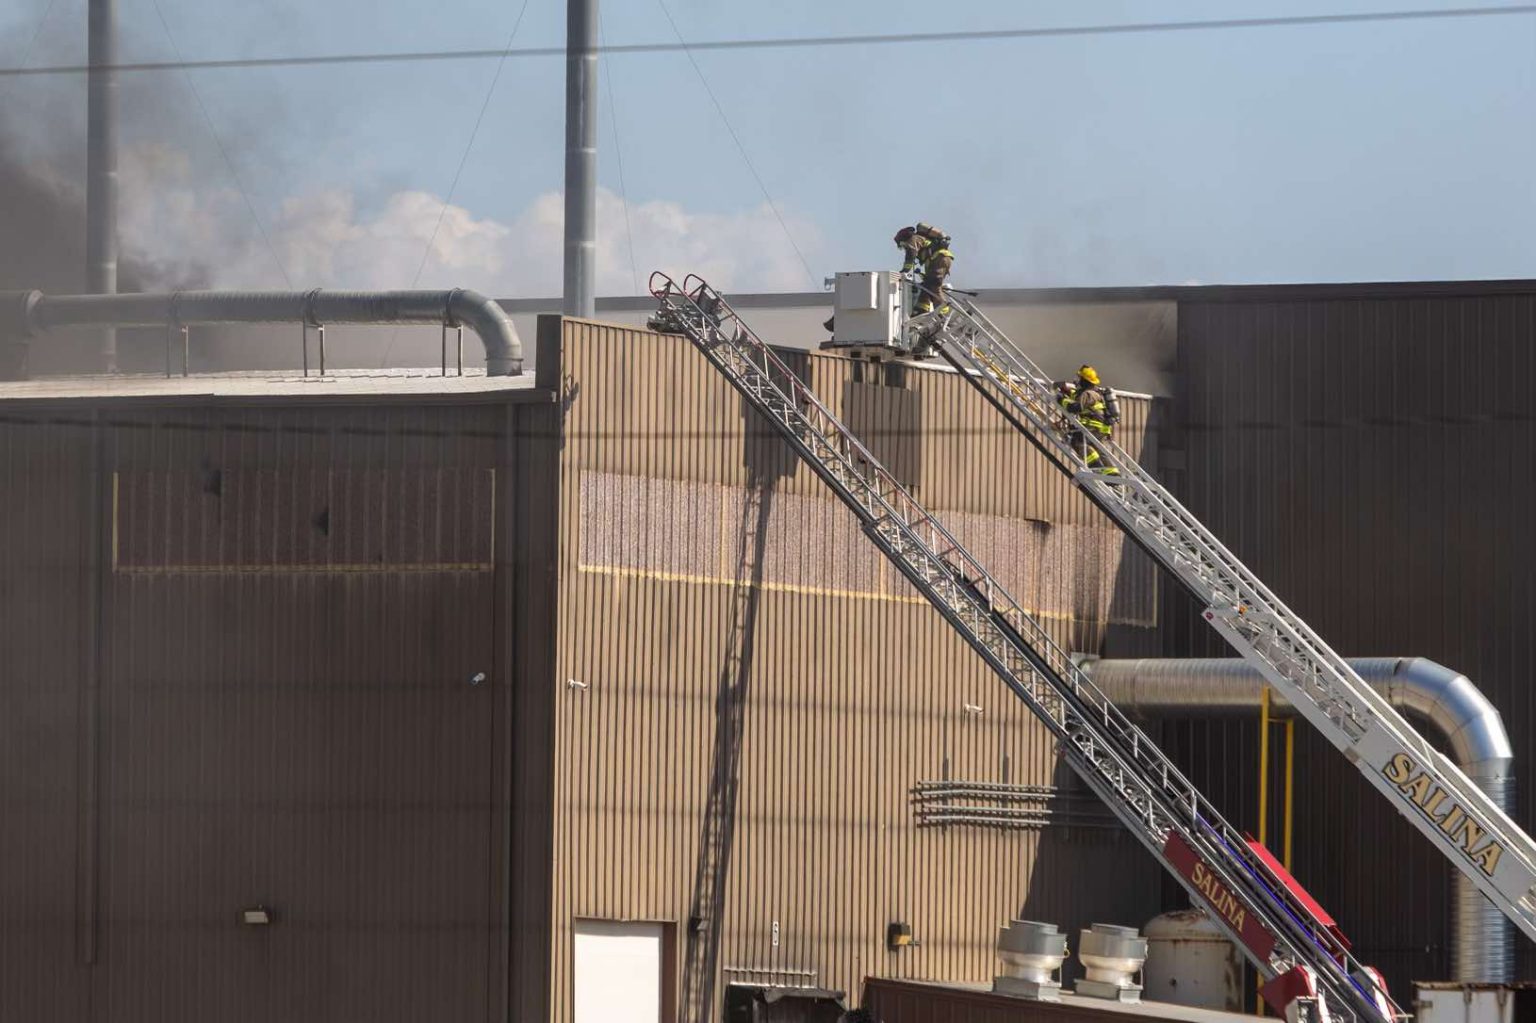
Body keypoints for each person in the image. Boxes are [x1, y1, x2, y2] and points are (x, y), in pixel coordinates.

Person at [1058, 364, 1121, 475]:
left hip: (1094, 427)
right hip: (1101, 429)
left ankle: (1096, 468)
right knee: (1099, 451)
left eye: (1080, 378)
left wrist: (1062, 400)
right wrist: (1067, 391)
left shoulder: (1087, 394)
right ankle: (1112, 472)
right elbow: (1078, 398)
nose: (1077, 380)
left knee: (1077, 441)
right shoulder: (1094, 393)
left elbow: (1075, 407)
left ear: (1084, 381)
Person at [894, 222, 954, 315]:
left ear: (902, 240)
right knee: (926, 285)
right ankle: (921, 309)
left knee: (934, 286)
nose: (903, 248)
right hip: (938, 260)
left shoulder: (913, 239)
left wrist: (904, 270)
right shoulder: (919, 238)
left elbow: (911, 254)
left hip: (939, 259)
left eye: (902, 246)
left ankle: (943, 312)